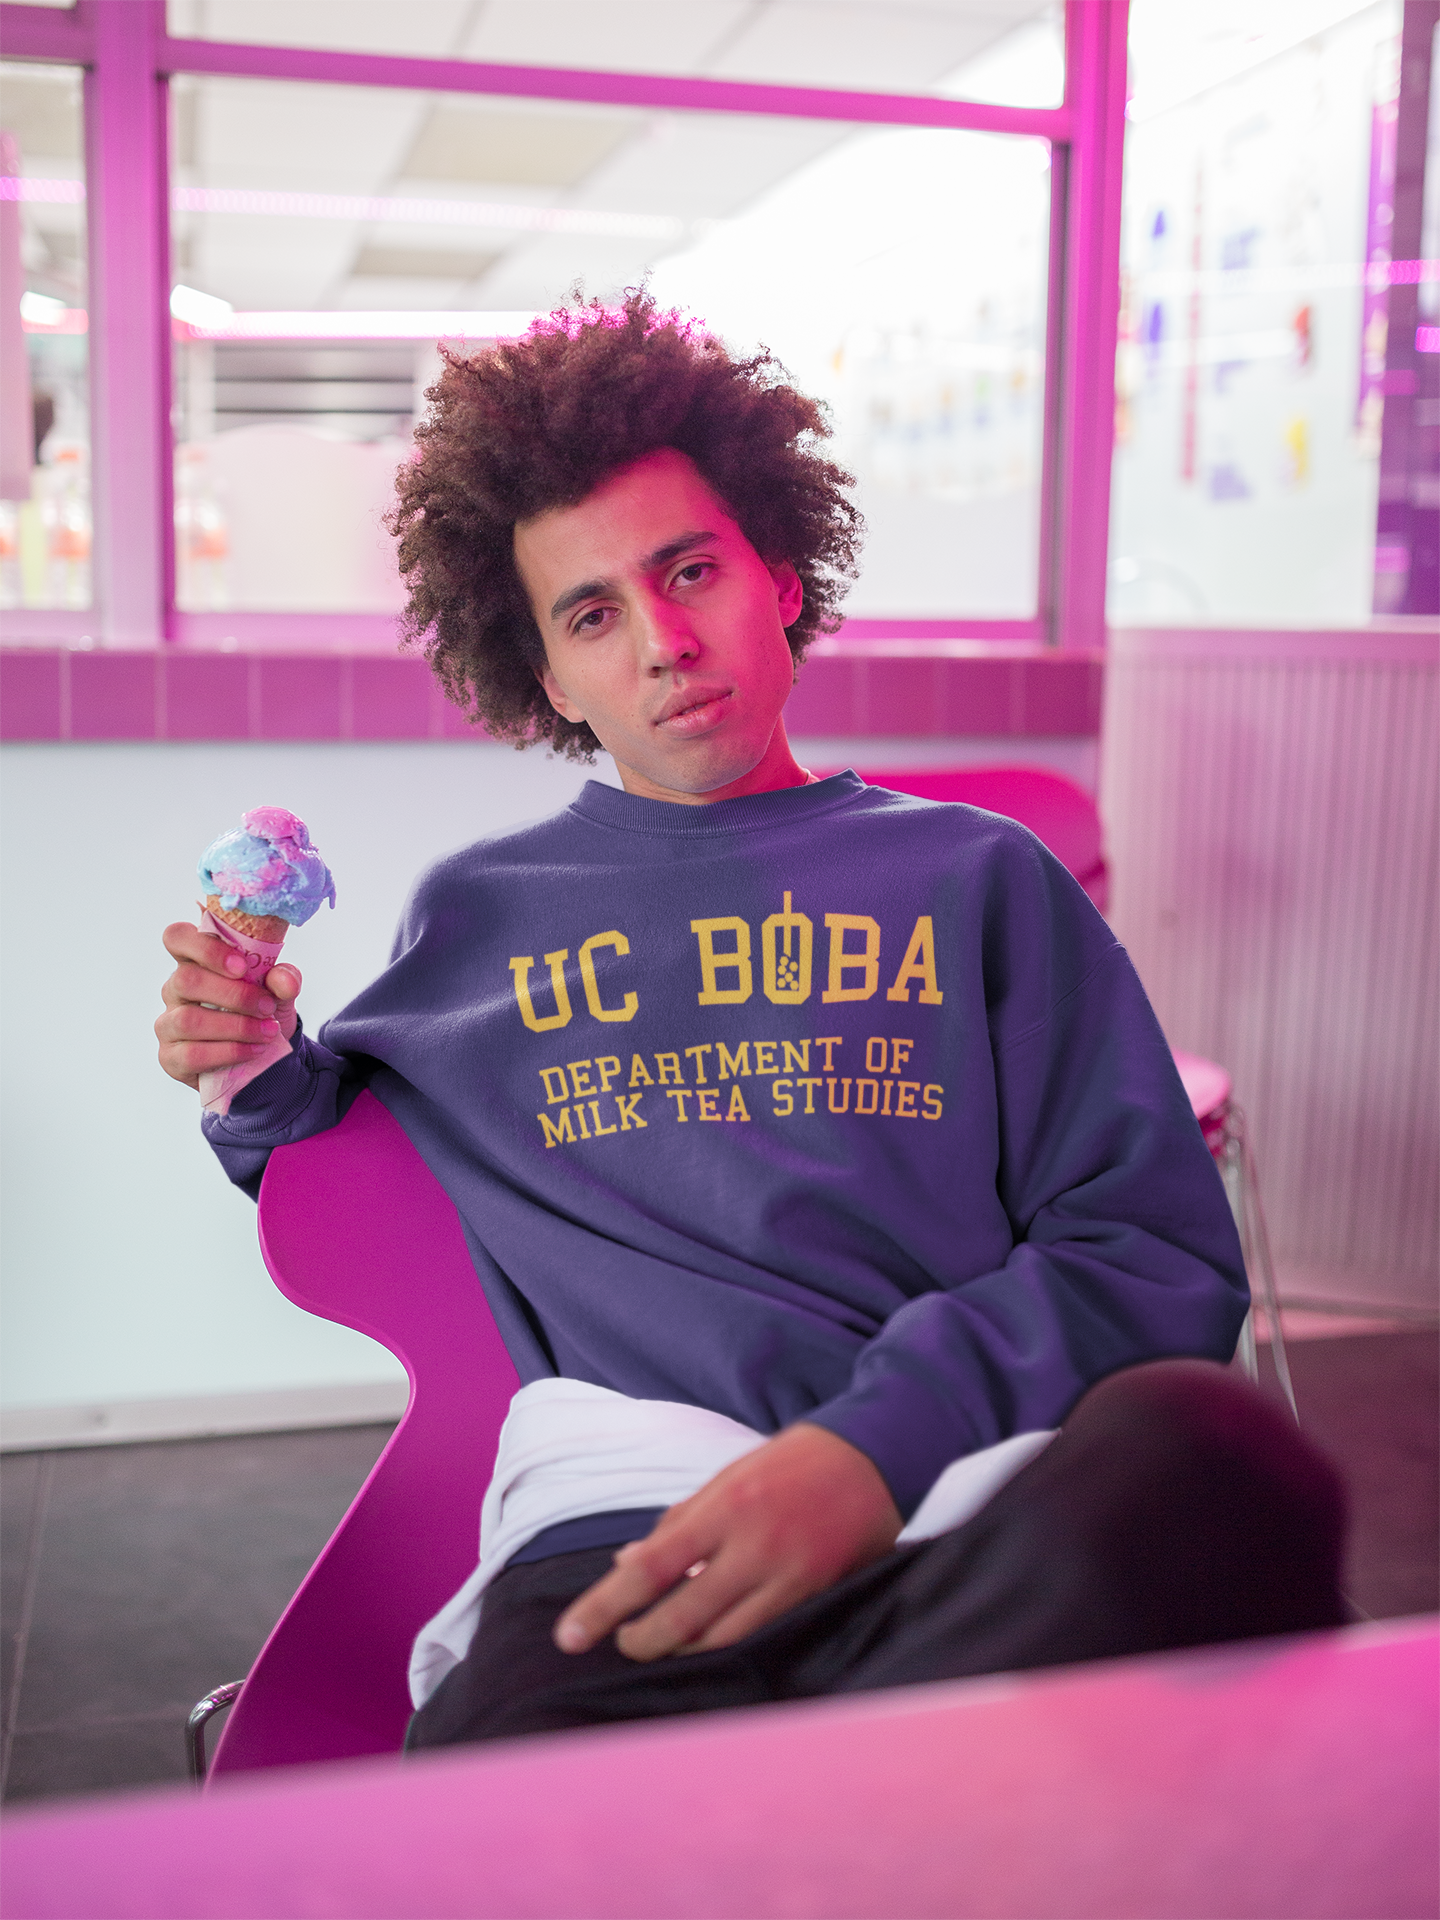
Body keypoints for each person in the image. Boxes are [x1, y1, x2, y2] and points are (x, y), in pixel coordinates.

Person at [156, 292, 1346, 1750]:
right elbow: (324, 1135)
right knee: (503, 1807)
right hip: (628, 1538)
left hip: (960, 1494)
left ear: (779, 574)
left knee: (1218, 1464)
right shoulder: (482, 914)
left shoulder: (981, 881)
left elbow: (1151, 1247)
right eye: (593, 613)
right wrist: (240, 1056)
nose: (661, 642)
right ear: (550, 678)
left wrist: (871, 1450)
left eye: (691, 570)